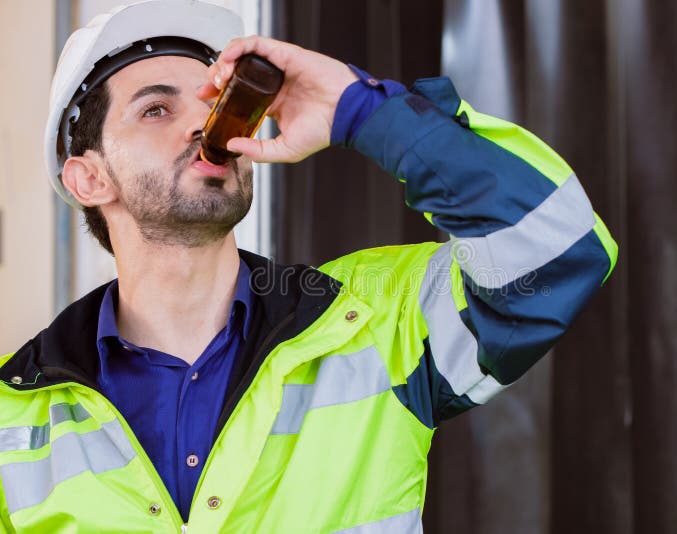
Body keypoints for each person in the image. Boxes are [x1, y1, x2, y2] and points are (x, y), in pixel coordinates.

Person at [0, 0, 617, 532]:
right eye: (156, 109)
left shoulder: (374, 324)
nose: (204, 122)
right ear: (89, 177)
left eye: (213, 100)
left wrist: (362, 112)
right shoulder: (12, 416)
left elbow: (558, 250)